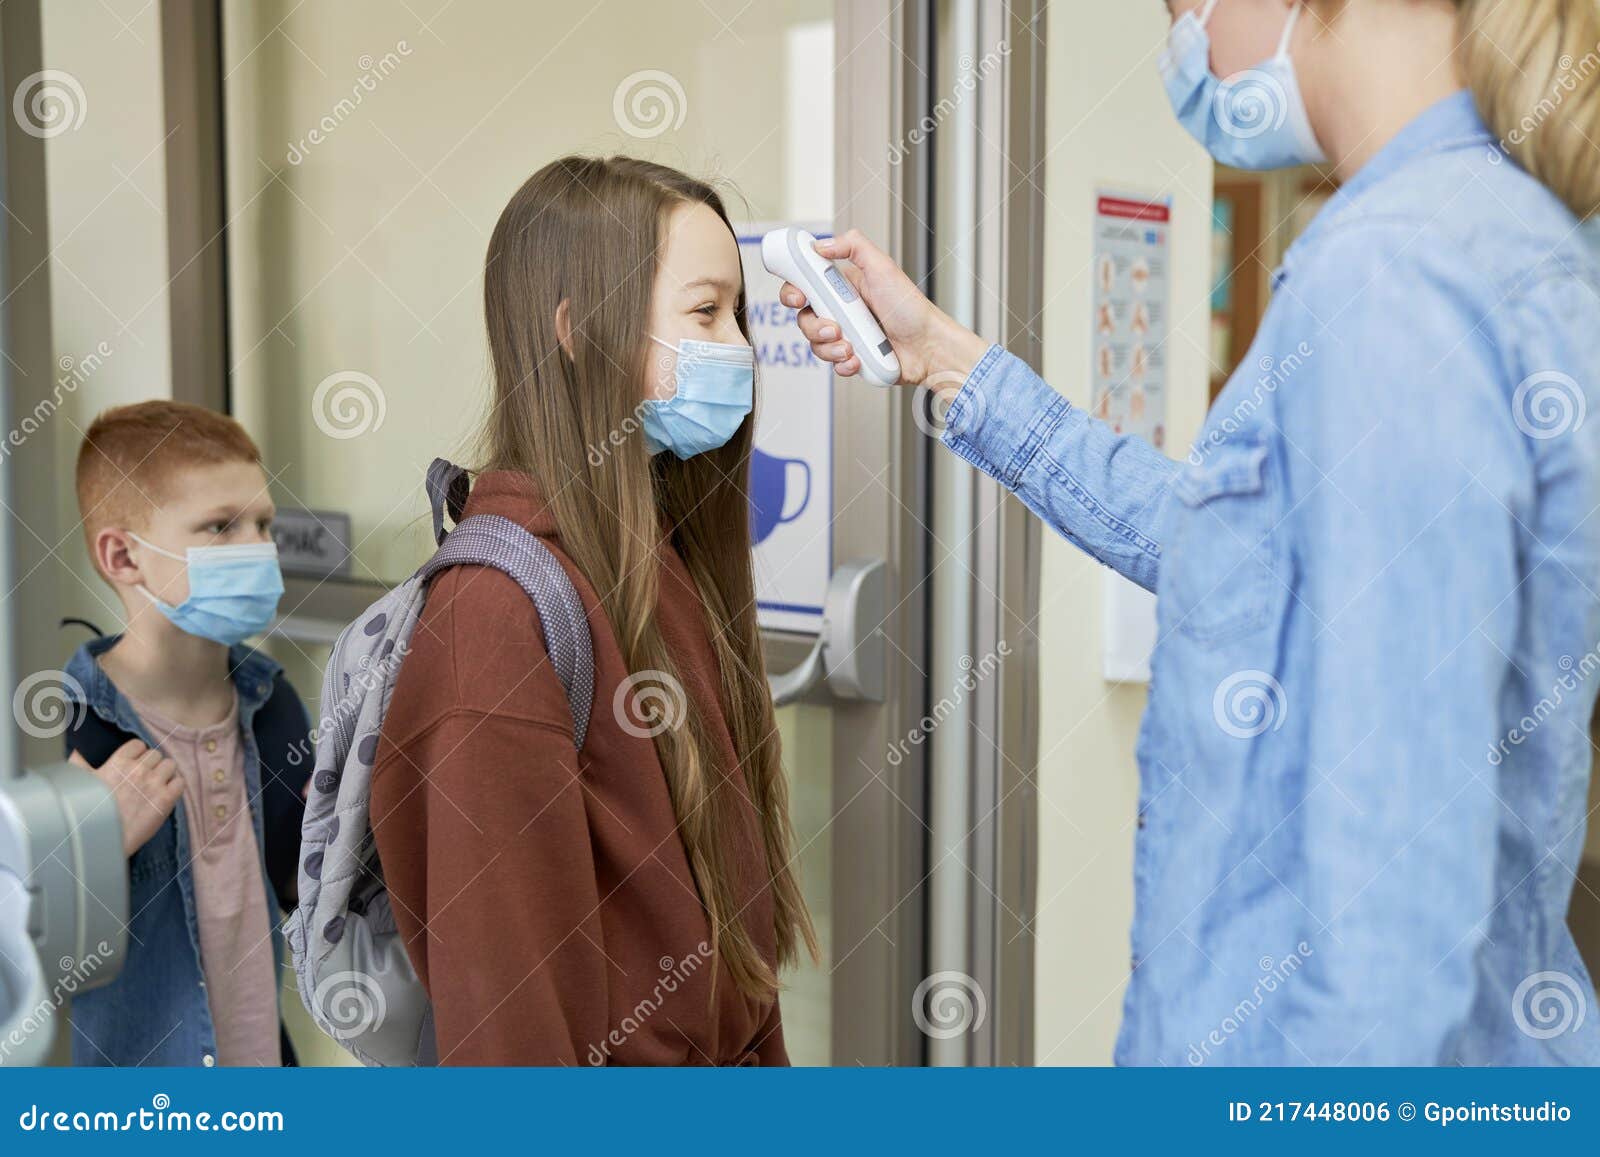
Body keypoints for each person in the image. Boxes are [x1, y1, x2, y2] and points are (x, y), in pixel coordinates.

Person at [780, 0, 1600, 1064]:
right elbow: (1251, 567)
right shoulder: (1504, 237)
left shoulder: (1392, 273)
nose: (1186, 42)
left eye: (1177, 9)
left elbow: (1397, 879)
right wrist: (945, 358)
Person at [369, 156, 817, 1066]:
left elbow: (734, 958)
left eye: (738, 314)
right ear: (576, 331)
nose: (739, 345)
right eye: (705, 312)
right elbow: (507, 1032)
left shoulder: (658, 562)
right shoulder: (494, 616)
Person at [63, 401, 310, 1066]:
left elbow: (298, 892)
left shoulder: (275, 705)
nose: (257, 548)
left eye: (263, 523)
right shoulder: (67, 732)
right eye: (221, 526)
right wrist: (88, 850)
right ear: (123, 555)